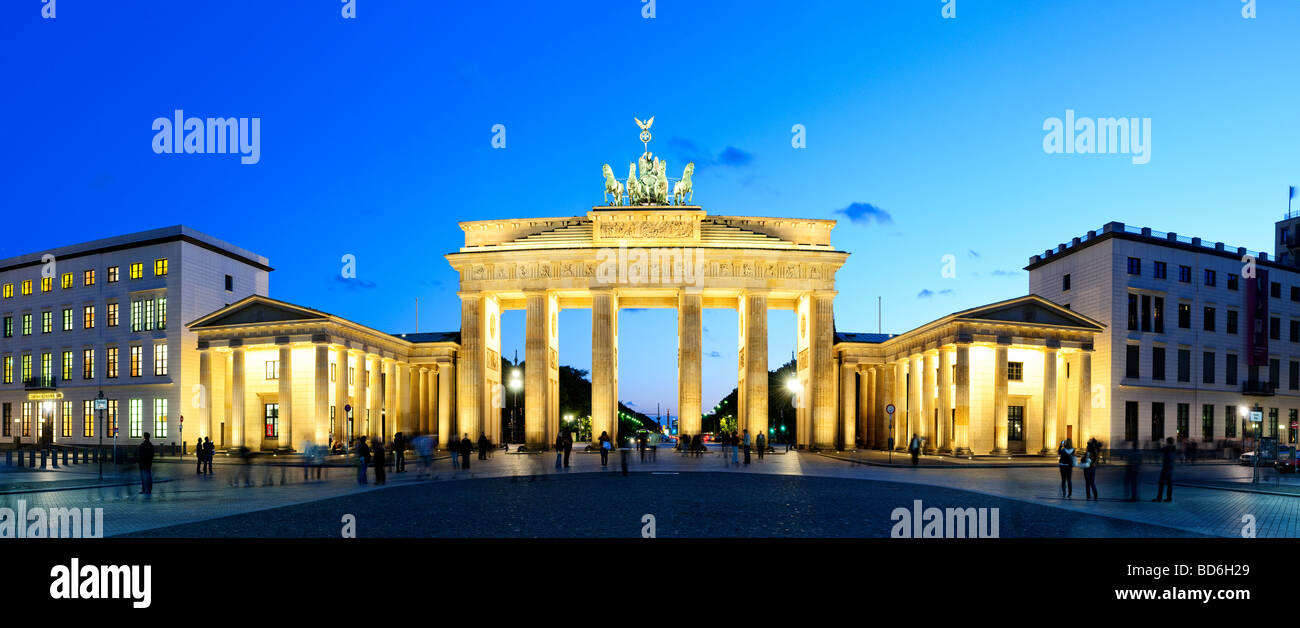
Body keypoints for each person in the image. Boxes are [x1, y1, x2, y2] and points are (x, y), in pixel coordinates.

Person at [1154, 437, 1176, 502]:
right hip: (1171, 468)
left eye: (1166, 442)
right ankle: (1169, 498)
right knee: (1169, 484)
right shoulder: (1173, 448)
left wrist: (1159, 443)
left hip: (1165, 468)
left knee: (1161, 483)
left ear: (1168, 442)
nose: (1166, 443)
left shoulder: (1168, 448)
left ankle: (1159, 498)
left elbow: (1159, 450)